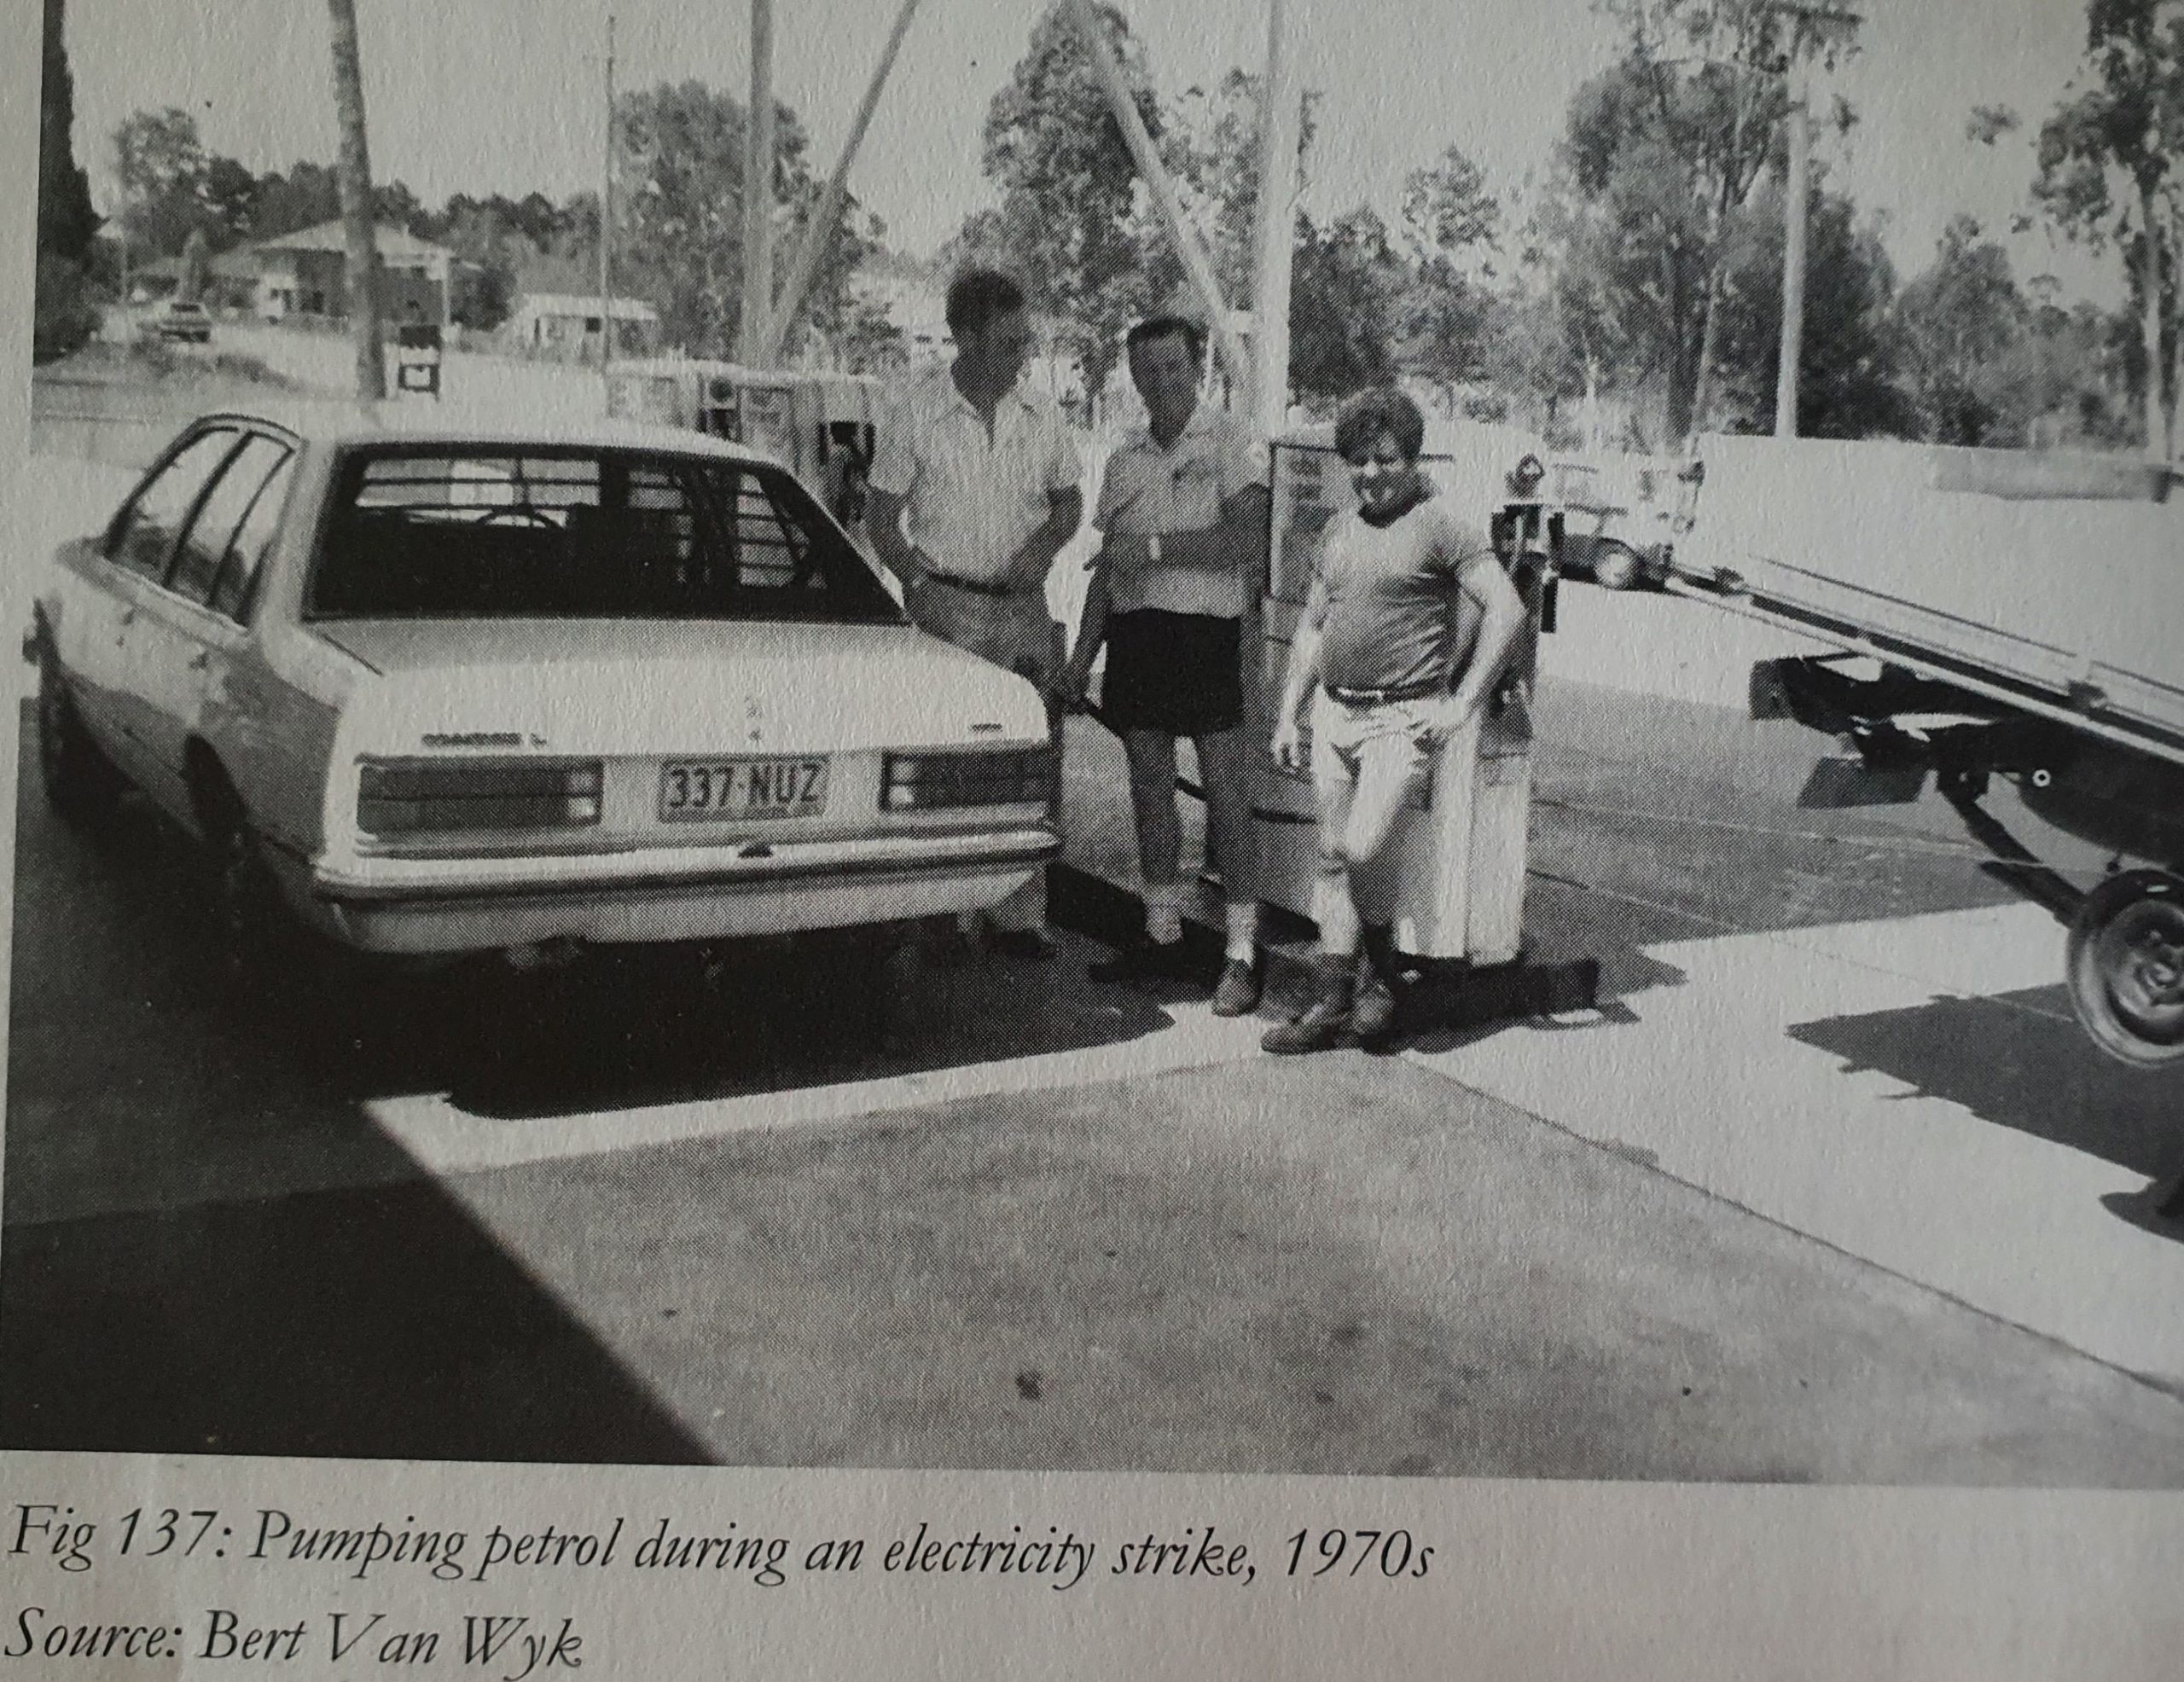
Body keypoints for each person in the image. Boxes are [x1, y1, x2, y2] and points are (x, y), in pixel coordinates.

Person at [1262, 387, 1528, 1054]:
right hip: (1333, 715)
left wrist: (1463, 701)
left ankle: (1381, 974)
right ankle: (1332, 1001)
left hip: (1399, 719)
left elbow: (1508, 610)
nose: (1371, 473)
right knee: (1331, 857)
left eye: (1384, 459)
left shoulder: (1441, 525)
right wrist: (1289, 714)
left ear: (1410, 458)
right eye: (1358, 460)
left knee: (1360, 848)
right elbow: (1312, 627)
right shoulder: (1339, 530)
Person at [866, 269, 1083, 959]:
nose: (1020, 356)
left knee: (1031, 756)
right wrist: (915, 583)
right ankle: (942, 909)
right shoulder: (913, 409)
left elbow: (1069, 503)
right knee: (945, 758)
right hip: (948, 607)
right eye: (1005, 342)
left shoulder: (1043, 413)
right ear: (963, 337)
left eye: (1025, 341)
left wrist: (1044, 548)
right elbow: (881, 516)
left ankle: (1020, 913)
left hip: (1021, 609)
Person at [1062, 315, 1269, 1015]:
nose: (1160, 381)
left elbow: (1248, 541)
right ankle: (1162, 934)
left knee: (1226, 799)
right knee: (1151, 792)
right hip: (1139, 636)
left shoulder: (1230, 440)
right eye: (1147, 370)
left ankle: (1241, 955)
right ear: (1133, 374)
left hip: (1209, 637)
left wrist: (1151, 549)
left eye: (1173, 367)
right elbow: (1104, 571)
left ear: (1196, 367)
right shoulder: (1123, 454)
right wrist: (1081, 658)